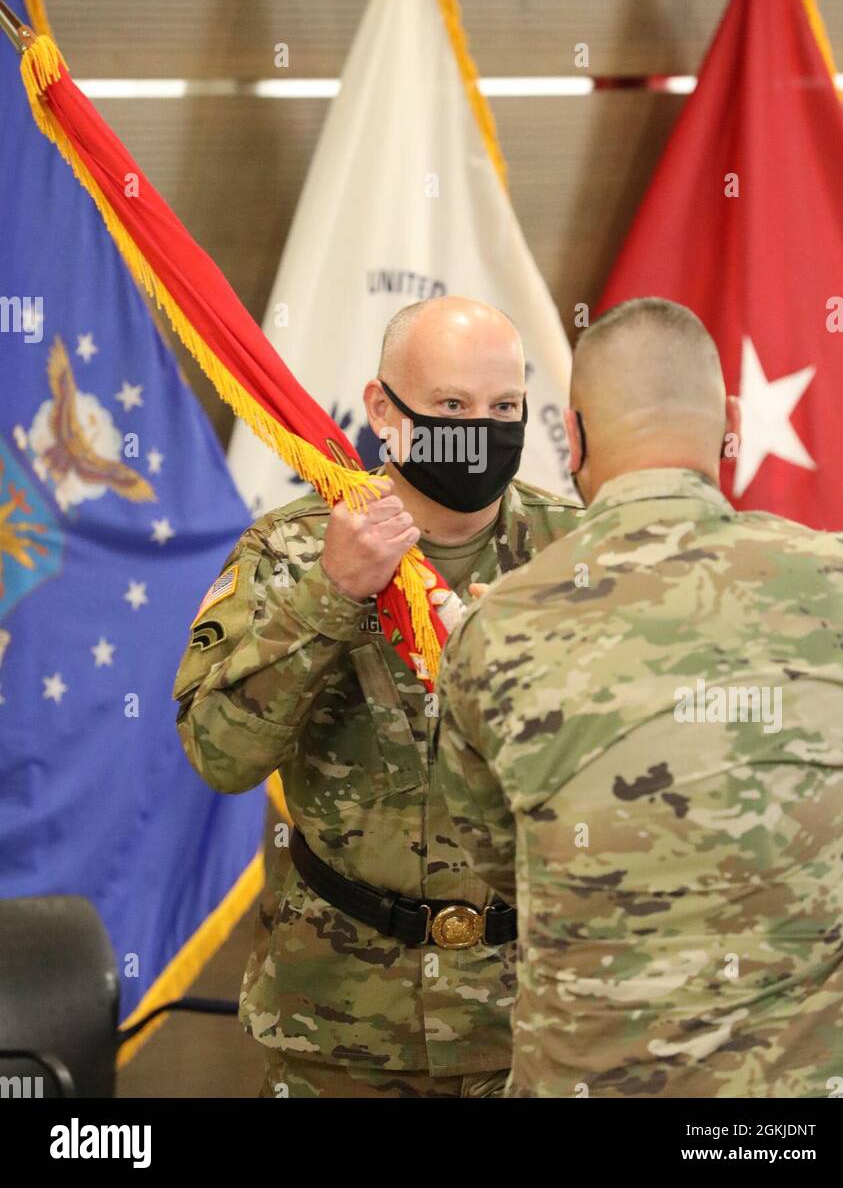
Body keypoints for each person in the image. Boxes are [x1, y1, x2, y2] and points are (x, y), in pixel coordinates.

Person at [436, 296, 843, 1098]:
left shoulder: (496, 631)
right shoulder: (842, 582)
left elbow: (496, 859)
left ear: (577, 431)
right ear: (730, 417)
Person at [173, 295, 581, 1098]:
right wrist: (332, 594)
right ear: (383, 413)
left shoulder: (577, 555)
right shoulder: (290, 550)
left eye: (504, 407)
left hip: (530, 1018)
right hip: (341, 1022)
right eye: (452, 407)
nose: (482, 428)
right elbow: (217, 754)